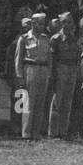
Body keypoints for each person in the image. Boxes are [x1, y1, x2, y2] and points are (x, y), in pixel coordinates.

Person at [15, 11, 52, 140]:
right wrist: (19, 76)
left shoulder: (46, 38)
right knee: (28, 102)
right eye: (39, 23)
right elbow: (18, 59)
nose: (42, 26)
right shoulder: (24, 38)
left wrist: (49, 73)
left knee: (40, 102)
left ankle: (36, 132)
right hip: (30, 68)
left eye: (43, 24)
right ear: (33, 23)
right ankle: (26, 133)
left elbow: (49, 58)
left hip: (43, 69)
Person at [48, 13, 82, 139]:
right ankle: (53, 131)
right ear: (61, 23)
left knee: (67, 101)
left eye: (70, 22)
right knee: (57, 101)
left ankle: (63, 131)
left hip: (72, 68)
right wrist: (52, 74)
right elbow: (52, 58)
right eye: (65, 22)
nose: (68, 25)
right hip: (60, 68)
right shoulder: (56, 39)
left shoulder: (74, 39)